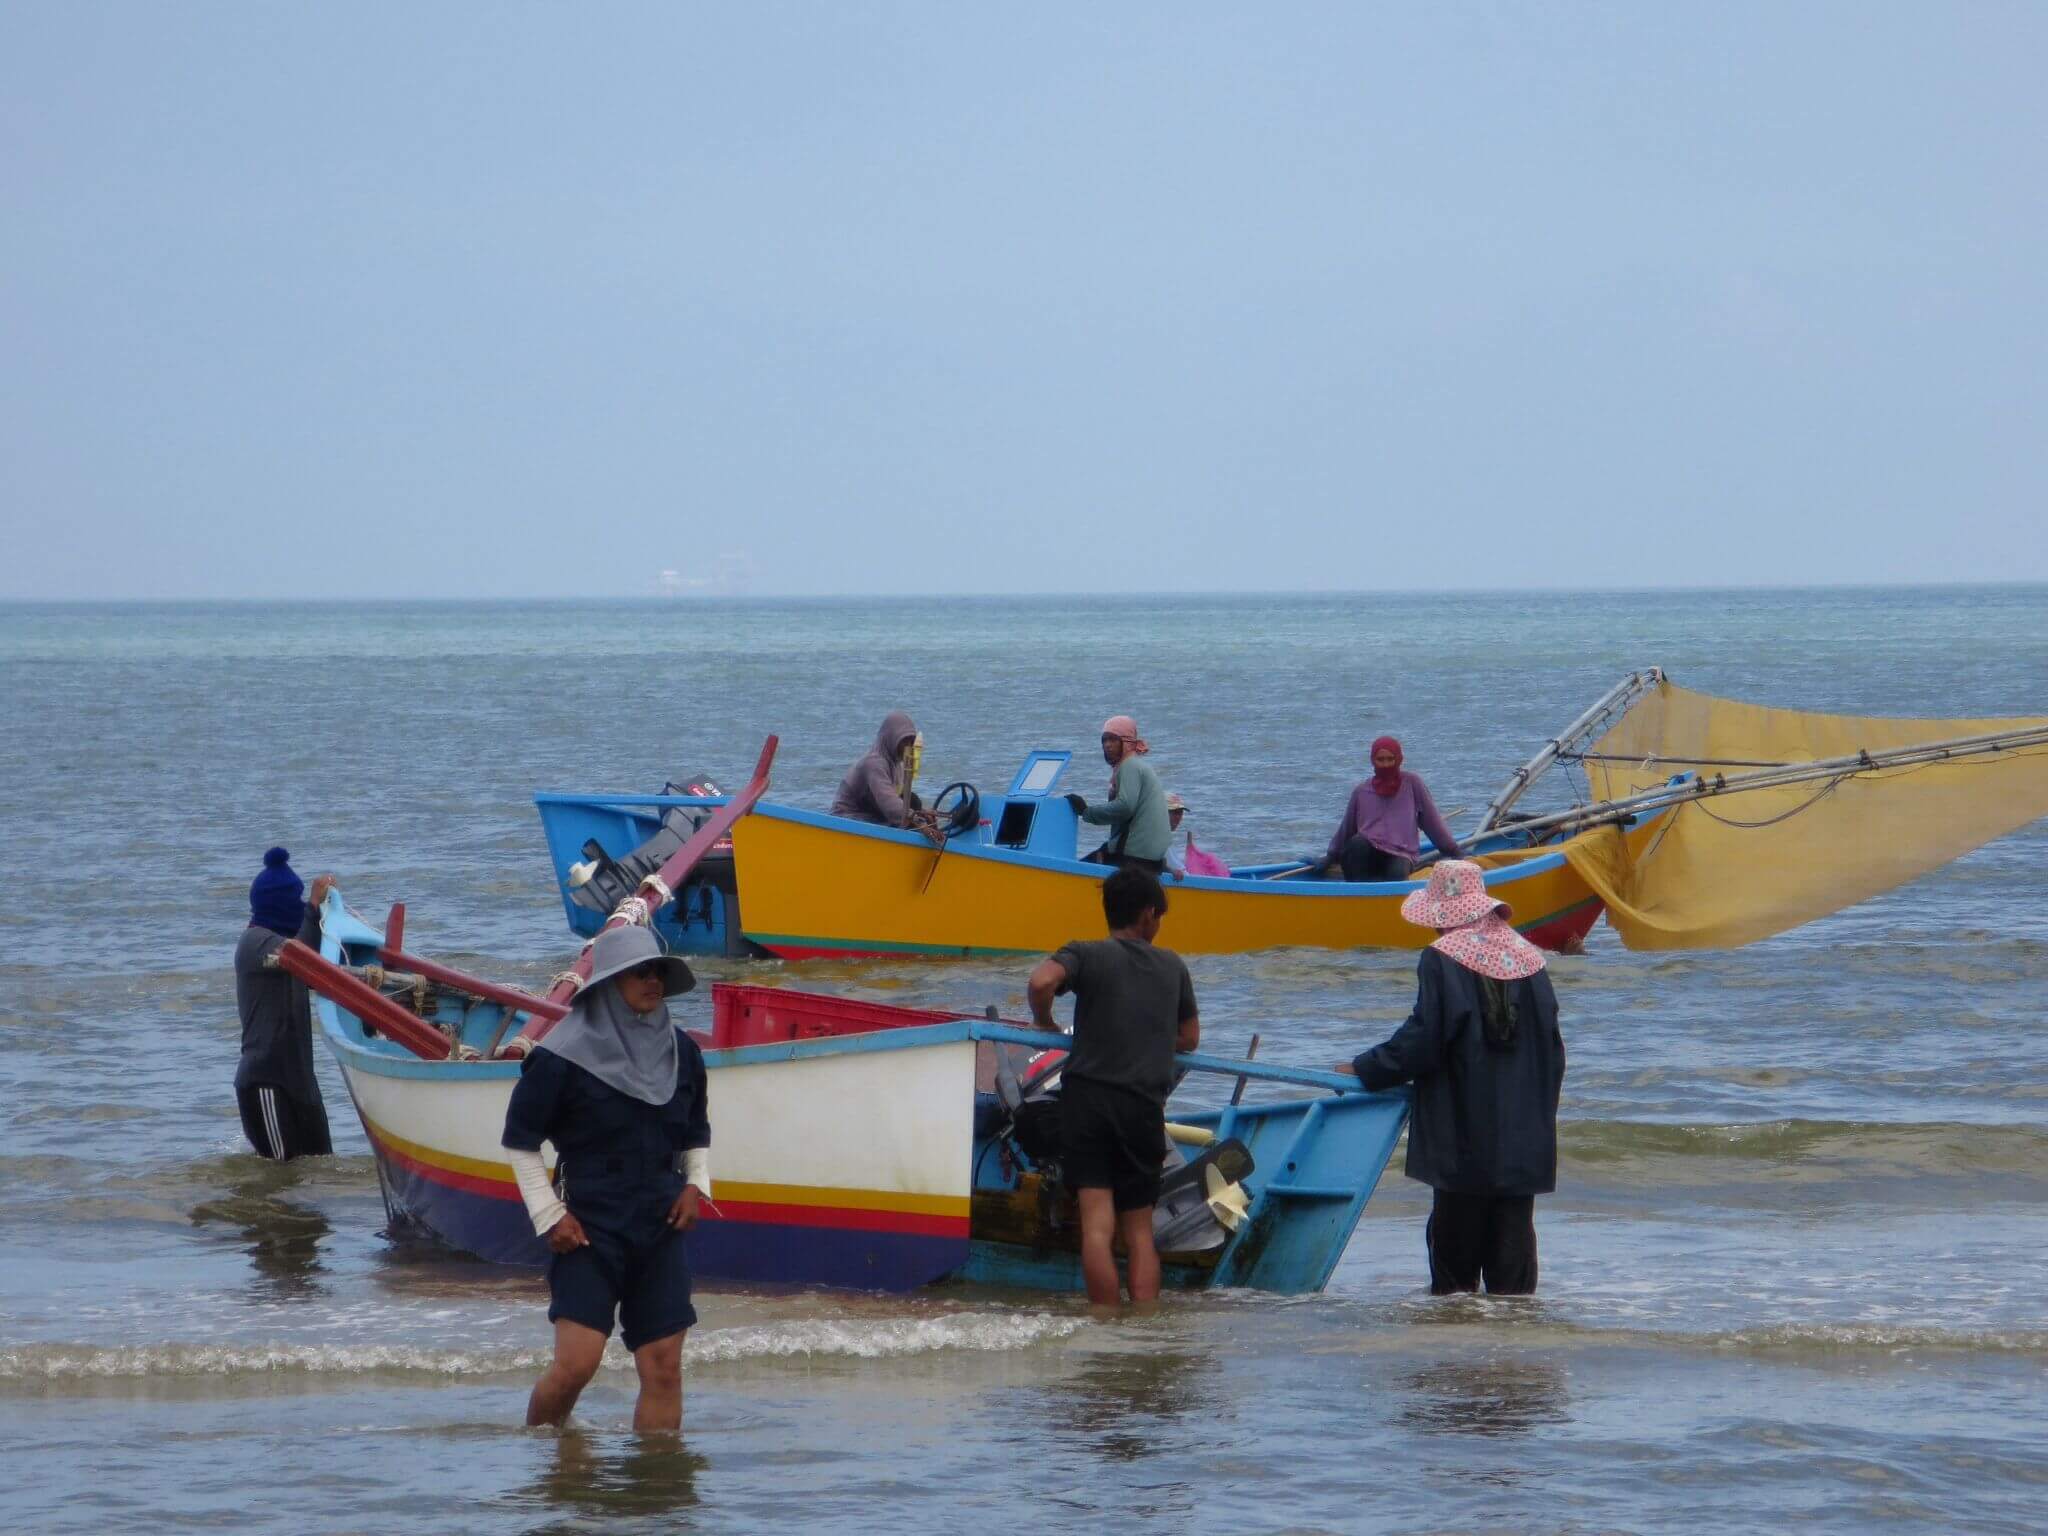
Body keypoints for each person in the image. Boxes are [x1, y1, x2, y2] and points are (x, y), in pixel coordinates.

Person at [501, 924, 710, 1431]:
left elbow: (696, 1131)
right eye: (640, 972)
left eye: (658, 971)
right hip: (589, 1225)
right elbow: (520, 1142)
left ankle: (656, 1492)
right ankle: (546, 1455)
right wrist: (550, 1216)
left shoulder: (684, 1053)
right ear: (610, 982)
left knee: (664, 1366)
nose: (652, 981)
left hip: (661, 1221)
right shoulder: (557, 1060)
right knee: (577, 1365)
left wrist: (696, 1186)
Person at [1337, 860, 1563, 1295]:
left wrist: (1365, 1067)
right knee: (1512, 1276)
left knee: (1454, 1275)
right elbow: (1553, 1053)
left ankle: (1455, 1357)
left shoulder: (1441, 960)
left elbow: (1423, 1039)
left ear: (1442, 915)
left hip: (1464, 1138)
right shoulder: (1532, 960)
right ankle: (1512, 1359)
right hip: (1523, 1141)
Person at [1025, 866, 1200, 1306]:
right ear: (1146, 915)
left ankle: (1105, 1324)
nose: (1159, 925)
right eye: (1159, 916)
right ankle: (1142, 1324)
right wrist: (1149, 1033)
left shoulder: (1086, 953)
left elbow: (1042, 981)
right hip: (1142, 1107)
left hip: (1087, 1105)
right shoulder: (1173, 966)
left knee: (1097, 1228)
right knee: (1140, 1233)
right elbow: (1190, 1039)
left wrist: (1045, 1022)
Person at [232, 848, 336, 1161]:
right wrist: (314, 908)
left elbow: (318, 973)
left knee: (321, 1168)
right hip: (267, 1080)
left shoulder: (283, 944)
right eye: (296, 899)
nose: (300, 905)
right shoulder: (256, 942)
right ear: (276, 903)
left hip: (301, 1080)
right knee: (283, 1174)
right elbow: (301, 958)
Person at [1324, 735, 1464, 882]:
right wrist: (1330, 856)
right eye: (1380, 760)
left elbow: (1432, 822)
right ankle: (1358, 895)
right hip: (1369, 852)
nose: (1385, 765)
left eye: (1390, 759)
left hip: (1400, 853)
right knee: (1356, 845)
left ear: (1399, 759)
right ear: (1373, 761)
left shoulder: (1412, 783)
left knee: (1396, 872)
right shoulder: (1361, 791)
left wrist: (1454, 851)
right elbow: (1346, 829)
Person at [1066, 714, 1170, 874]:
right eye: (1104, 740)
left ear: (1127, 743)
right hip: (1151, 857)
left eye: (1113, 740)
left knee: (1076, 870)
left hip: (1135, 856)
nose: (1107, 745)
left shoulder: (1129, 766)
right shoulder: (1137, 765)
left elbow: (1125, 807)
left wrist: (1086, 812)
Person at [831, 711, 924, 827]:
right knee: (906, 815)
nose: (909, 746)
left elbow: (900, 799)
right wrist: (915, 818)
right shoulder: (874, 763)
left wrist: (923, 813)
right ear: (891, 737)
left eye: (911, 741)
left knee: (913, 801)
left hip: (871, 813)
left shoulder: (897, 765)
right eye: (905, 741)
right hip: (846, 817)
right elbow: (888, 801)